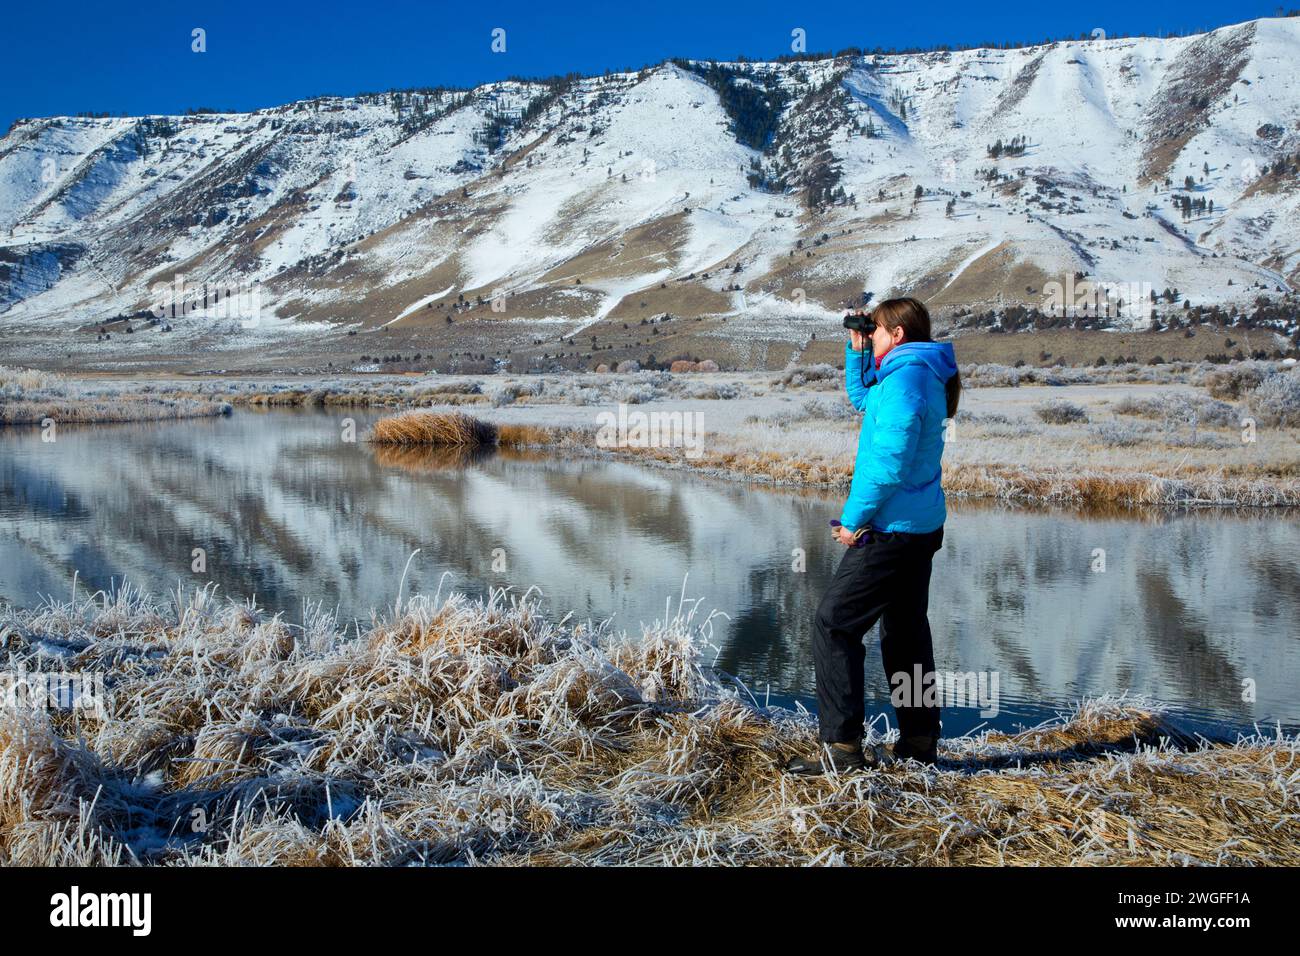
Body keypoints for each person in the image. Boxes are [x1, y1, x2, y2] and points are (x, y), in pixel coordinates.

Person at [785, 297, 960, 774]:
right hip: (918, 527)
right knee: (906, 634)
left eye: (877, 330)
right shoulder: (913, 373)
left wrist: (853, 519)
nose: (873, 335)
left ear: (898, 335)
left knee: (834, 624)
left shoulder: (905, 381)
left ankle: (841, 749)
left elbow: (888, 465)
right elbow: (863, 397)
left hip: (891, 530)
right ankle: (920, 742)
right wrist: (858, 348)